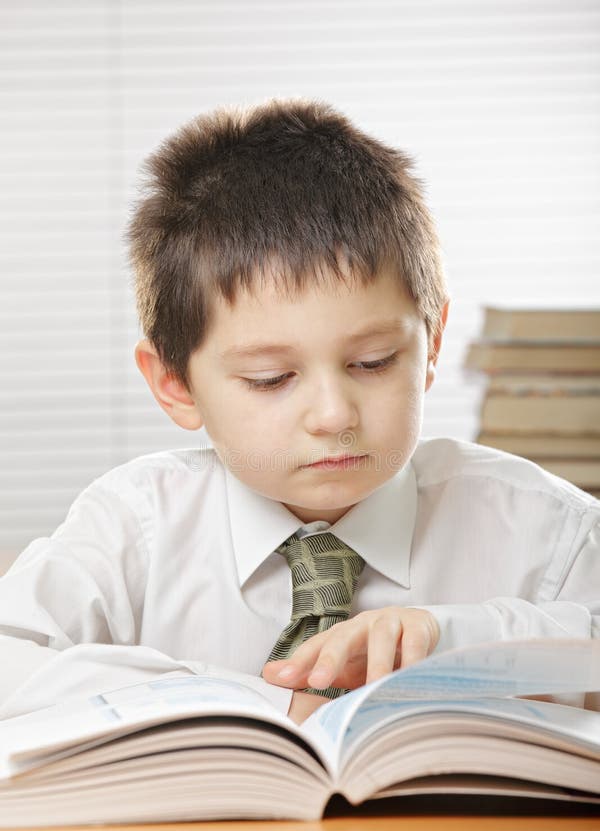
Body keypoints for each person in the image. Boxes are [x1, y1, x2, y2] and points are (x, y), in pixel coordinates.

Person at [0, 99, 598, 725]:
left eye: (372, 362)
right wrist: (267, 707)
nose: (334, 415)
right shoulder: (136, 527)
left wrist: (466, 647)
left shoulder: (546, 532)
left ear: (433, 343)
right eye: (271, 378)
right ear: (175, 384)